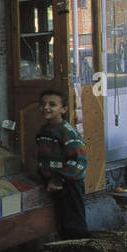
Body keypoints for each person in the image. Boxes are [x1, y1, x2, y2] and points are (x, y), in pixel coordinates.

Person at [36, 89, 89, 239]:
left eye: (52, 104)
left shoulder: (67, 132)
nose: (46, 107)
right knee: (59, 221)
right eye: (43, 104)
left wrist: (59, 178)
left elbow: (79, 161)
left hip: (69, 184)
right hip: (51, 183)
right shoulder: (43, 131)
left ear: (63, 109)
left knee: (73, 223)